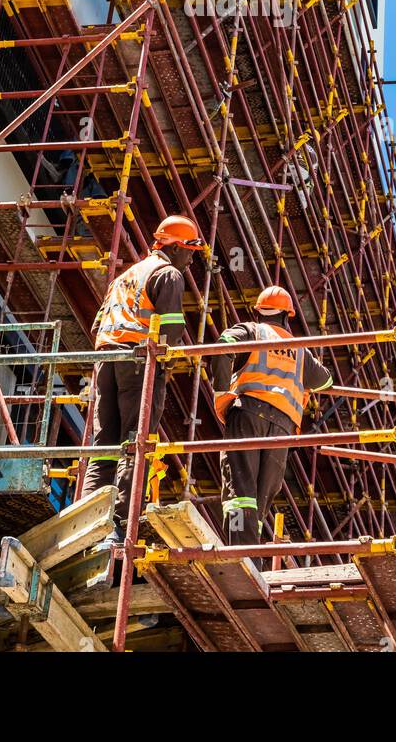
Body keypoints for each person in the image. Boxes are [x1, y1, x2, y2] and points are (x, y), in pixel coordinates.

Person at [82, 214, 204, 542]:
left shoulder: (126, 276)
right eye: (189, 250)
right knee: (135, 442)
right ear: (175, 247)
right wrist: (161, 366)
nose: (191, 259)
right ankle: (117, 527)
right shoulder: (168, 274)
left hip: (106, 359)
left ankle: (88, 523)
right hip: (138, 363)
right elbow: (172, 329)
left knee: (104, 443)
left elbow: (98, 326)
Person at [211, 284, 332, 546]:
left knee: (239, 488)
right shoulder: (301, 349)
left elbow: (221, 348)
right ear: (287, 316)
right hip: (282, 428)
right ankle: (249, 551)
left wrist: (221, 393)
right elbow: (325, 381)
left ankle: (239, 553)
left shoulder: (250, 330)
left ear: (259, 312)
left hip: (248, 413)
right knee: (261, 496)